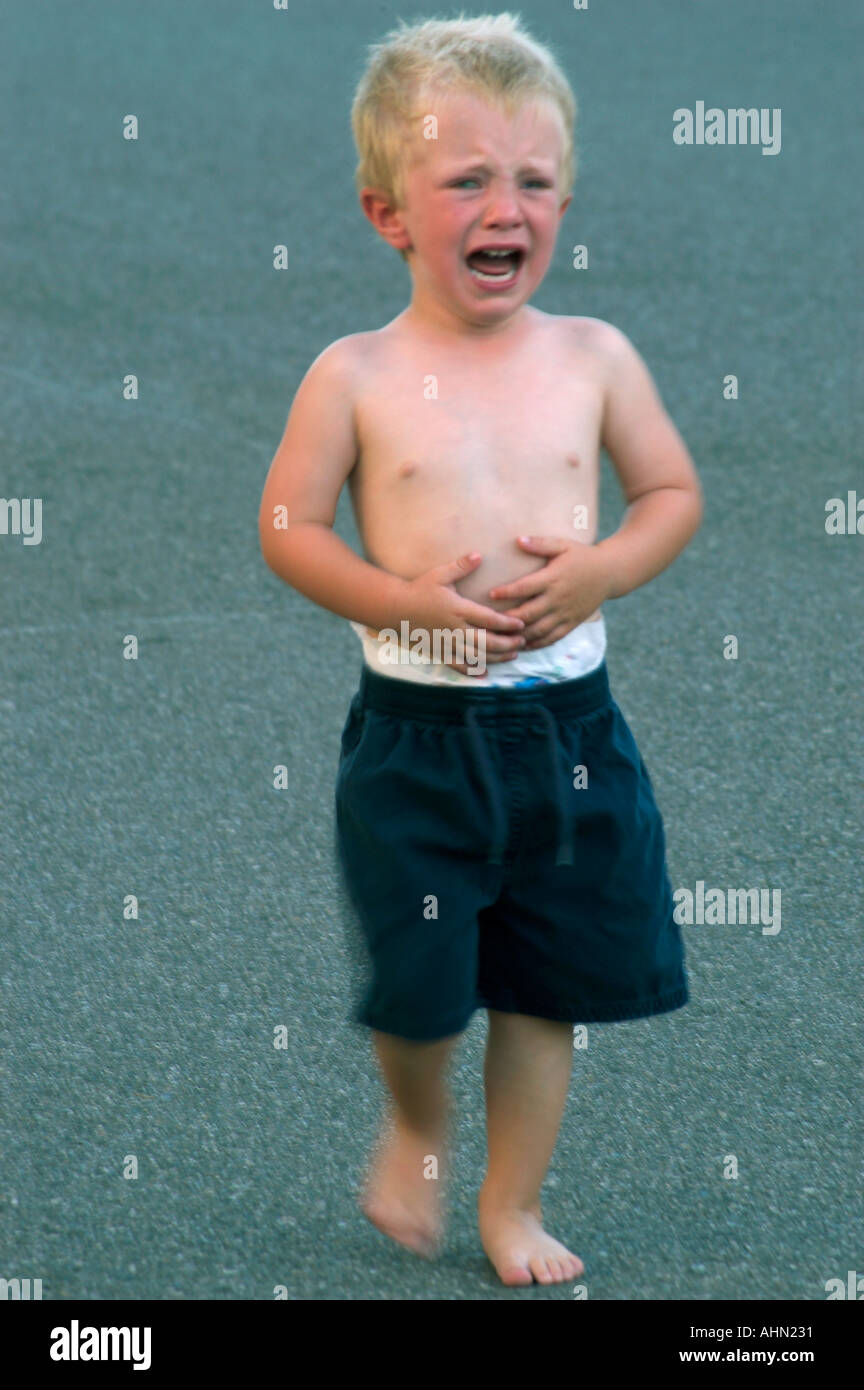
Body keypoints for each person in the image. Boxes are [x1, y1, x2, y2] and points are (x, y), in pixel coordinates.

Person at [258, 13, 703, 1287]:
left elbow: (669, 492)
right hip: (422, 741)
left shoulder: (593, 358)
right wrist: (395, 598)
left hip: (570, 736)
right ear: (387, 212)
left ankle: (511, 1204)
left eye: (535, 180)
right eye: (468, 179)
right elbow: (288, 527)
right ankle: (414, 1120)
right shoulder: (354, 374)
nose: (507, 205)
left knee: (544, 985)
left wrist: (610, 564)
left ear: (564, 198)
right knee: (417, 985)